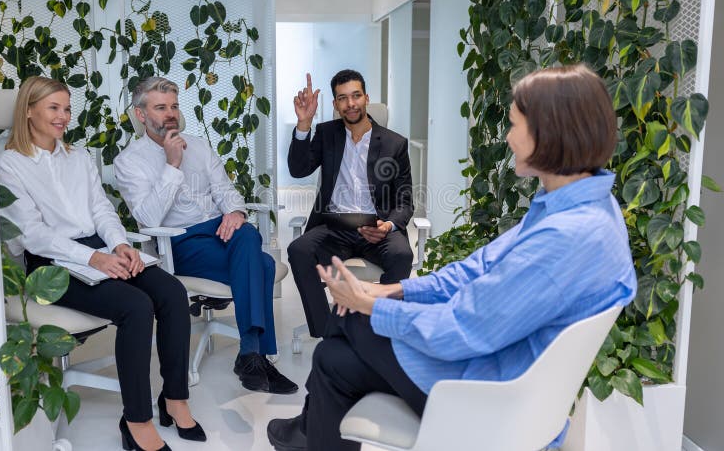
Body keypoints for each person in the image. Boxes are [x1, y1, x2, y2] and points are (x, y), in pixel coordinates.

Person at [268, 64, 637, 451]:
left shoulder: (566, 237)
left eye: (515, 125)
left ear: (551, 132)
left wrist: (372, 305)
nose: (508, 138)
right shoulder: (574, 207)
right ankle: (310, 430)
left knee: (350, 317)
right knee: (331, 357)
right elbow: (474, 270)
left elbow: (463, 328)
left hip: (480, 391)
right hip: (482, 361)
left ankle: (309, 428)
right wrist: (390, 292)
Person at [0, 77, 205, 451]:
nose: (64, 117)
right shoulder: (10, 165)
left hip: (99, 247)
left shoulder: (77, 157)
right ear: (28, 110)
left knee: (172, 293)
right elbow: (33, 235)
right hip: (51, 263)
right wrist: (95, 257)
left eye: (66, 108)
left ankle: (174, 399)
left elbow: (100, 209)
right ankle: (136, 420)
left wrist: (121, 245)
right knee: (136, 307)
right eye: (54, 108)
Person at [114, 77, 297, 395]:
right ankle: (256, 353)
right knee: (264, 266)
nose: (170, 114)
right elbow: (147, 219)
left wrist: (235, 213)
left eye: (173, 106)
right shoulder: (129, 162)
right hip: (180, 243)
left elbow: (225, 190)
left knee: (247, 231)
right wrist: (172, 164)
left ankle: (250, 355)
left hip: (220, 232)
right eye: (160, 107)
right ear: (141, 115)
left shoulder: (198, 145)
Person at [287, 69, 414, 338]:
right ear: (335, 105)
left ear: (366, 98)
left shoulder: (395, 144)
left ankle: (381, 328)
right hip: (334, 227)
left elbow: (405, 201)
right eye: (343, 98)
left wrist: (388, 225)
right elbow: (298, 170)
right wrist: (304, 125)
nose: (351, 103)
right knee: (298, 250)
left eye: (356, 96)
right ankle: (327, 330)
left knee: (402, 255)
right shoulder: (325, 133)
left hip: (377, 229)